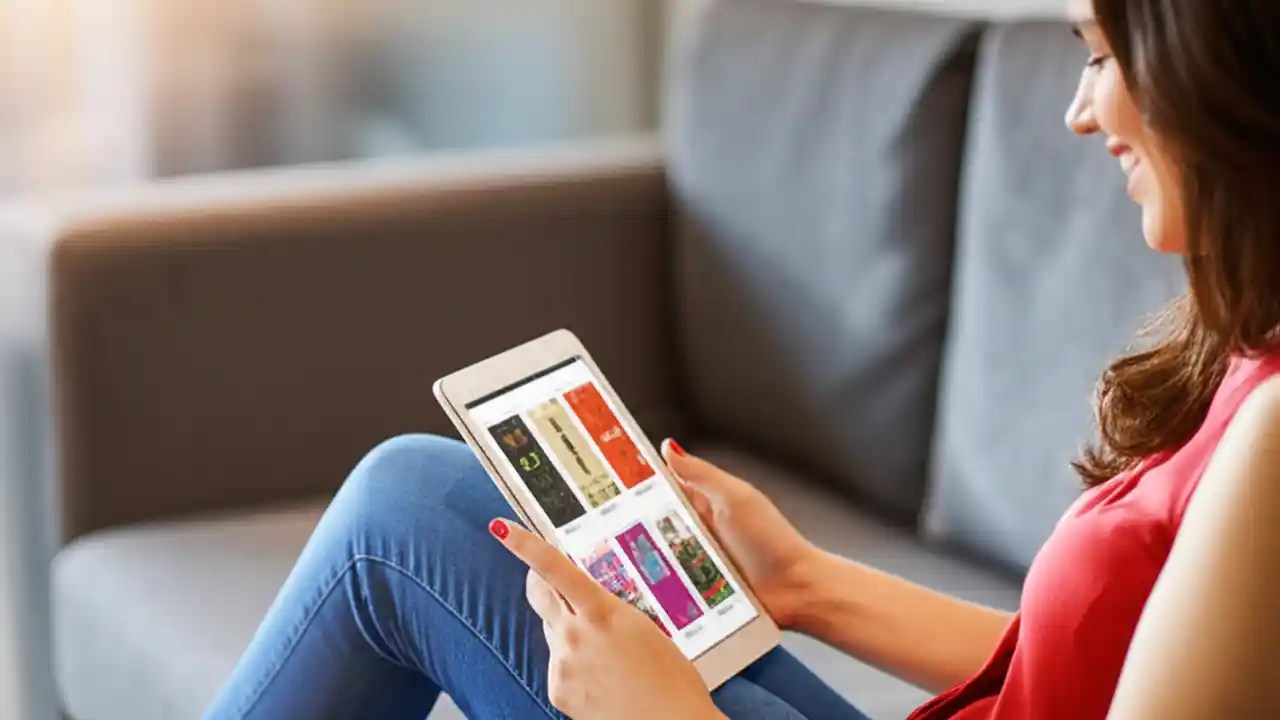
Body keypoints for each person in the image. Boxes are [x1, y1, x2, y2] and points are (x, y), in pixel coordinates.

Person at [206, 0, 1280, 717]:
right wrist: (803, 582)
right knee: (417, 492)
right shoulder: (1248, 354)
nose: (1080, 112)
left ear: (1215, 61)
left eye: (1098, 54)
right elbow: (1085, 670)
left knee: (394, 535)